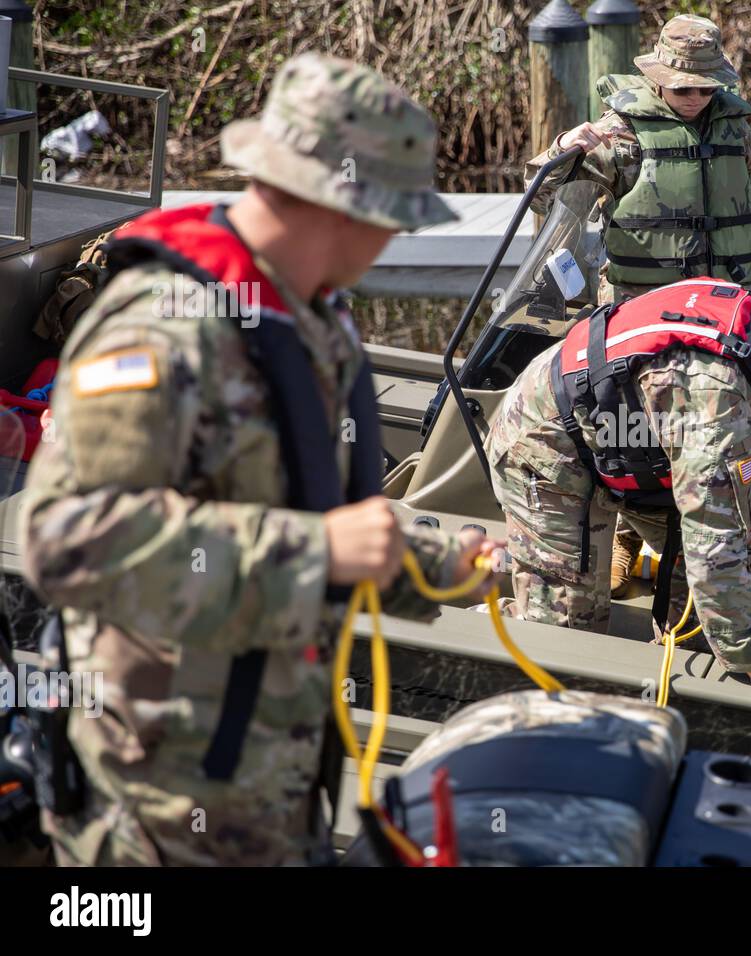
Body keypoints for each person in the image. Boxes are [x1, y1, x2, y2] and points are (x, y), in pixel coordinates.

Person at [20, 52, 504, 866]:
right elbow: (66, 538)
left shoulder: (311, 324)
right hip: (162, 810)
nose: (393, 238)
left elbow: (309, 515)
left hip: (278, 781)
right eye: (391, 215)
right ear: (338, 203)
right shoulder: (162, 329)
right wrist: (319, 553)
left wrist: (434, 562)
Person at [487, 278, 751, 699]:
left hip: (627, 443)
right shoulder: (720, 404)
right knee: (568, 635)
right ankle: (484, 637)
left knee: (694, 592)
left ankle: (681, 673)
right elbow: (714, 545)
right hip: (545, 445)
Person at [524, 13, 751, 596]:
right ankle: (624, 537)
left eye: (706, 87)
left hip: (723, 321)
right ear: (660, 80)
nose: (695, 98)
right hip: (641, 323)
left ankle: (714, 561)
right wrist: (566, 147)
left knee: (731, 445)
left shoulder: (737, 131)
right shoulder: (622, 134)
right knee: (630, 437)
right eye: (684, 87)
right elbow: (540, 195)